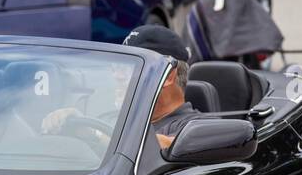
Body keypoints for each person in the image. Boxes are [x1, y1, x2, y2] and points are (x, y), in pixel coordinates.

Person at [42, 24, 198, 151]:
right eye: (117, 66)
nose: (118, 76)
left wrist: (93, 134)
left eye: (131, 67)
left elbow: (171, 147)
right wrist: (64, 123)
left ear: (168, 76)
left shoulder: (194, 128)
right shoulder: (111, 119)